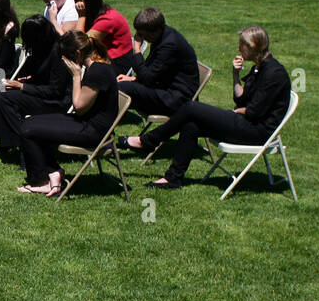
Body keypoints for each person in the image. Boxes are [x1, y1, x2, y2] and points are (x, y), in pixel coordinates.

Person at [120, 26, 290, 189]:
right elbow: (240, 99)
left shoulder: (274, 74)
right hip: (244, 122)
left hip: (257, 132)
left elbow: (254, 112)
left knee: (192, 108)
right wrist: (236, 74)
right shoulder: (258, 68)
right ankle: (173, 178)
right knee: (191, 124)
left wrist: (241, 110)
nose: (239, 48)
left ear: (253, 47)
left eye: (242, 45)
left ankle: (147, 141)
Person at [15, 31, 120, 196]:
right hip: (85, 122)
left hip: (94, 132)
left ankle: (43, 181)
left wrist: (76, 76)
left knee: (28, 130)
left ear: (77, 54)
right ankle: (53, 173)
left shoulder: (98, 71)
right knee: (30, 122)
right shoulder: (96, 66)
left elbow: (79, 105)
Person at [0, 14, 70, 161]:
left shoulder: (58, 53)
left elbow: (55, 91)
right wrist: (24, 82)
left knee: (3, 99)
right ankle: (9, 143)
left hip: (56, 102)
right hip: (41, 93)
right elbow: (40, 77)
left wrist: (22, 86)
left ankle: (24, 145)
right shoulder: (42, 49)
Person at [116, 7, 199, 118]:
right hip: (164, 87)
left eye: (142, 34)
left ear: (155, 31)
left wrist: (137, 50)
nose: (140, 38)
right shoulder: (162, 36)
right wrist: (133, 79)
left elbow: (148, 78)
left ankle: (102, 126)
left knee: (121, 88)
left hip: (176, 99)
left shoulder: (169, 45)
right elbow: (152, 72)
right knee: (118, 86)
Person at [74, 0, 137, 73]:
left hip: (117, 63)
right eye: (76, 2)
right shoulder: (98, 13)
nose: (77, 6)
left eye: (81, 3)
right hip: (105, 56)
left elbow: (81, 43)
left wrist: (81, 16)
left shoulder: (107, 20)